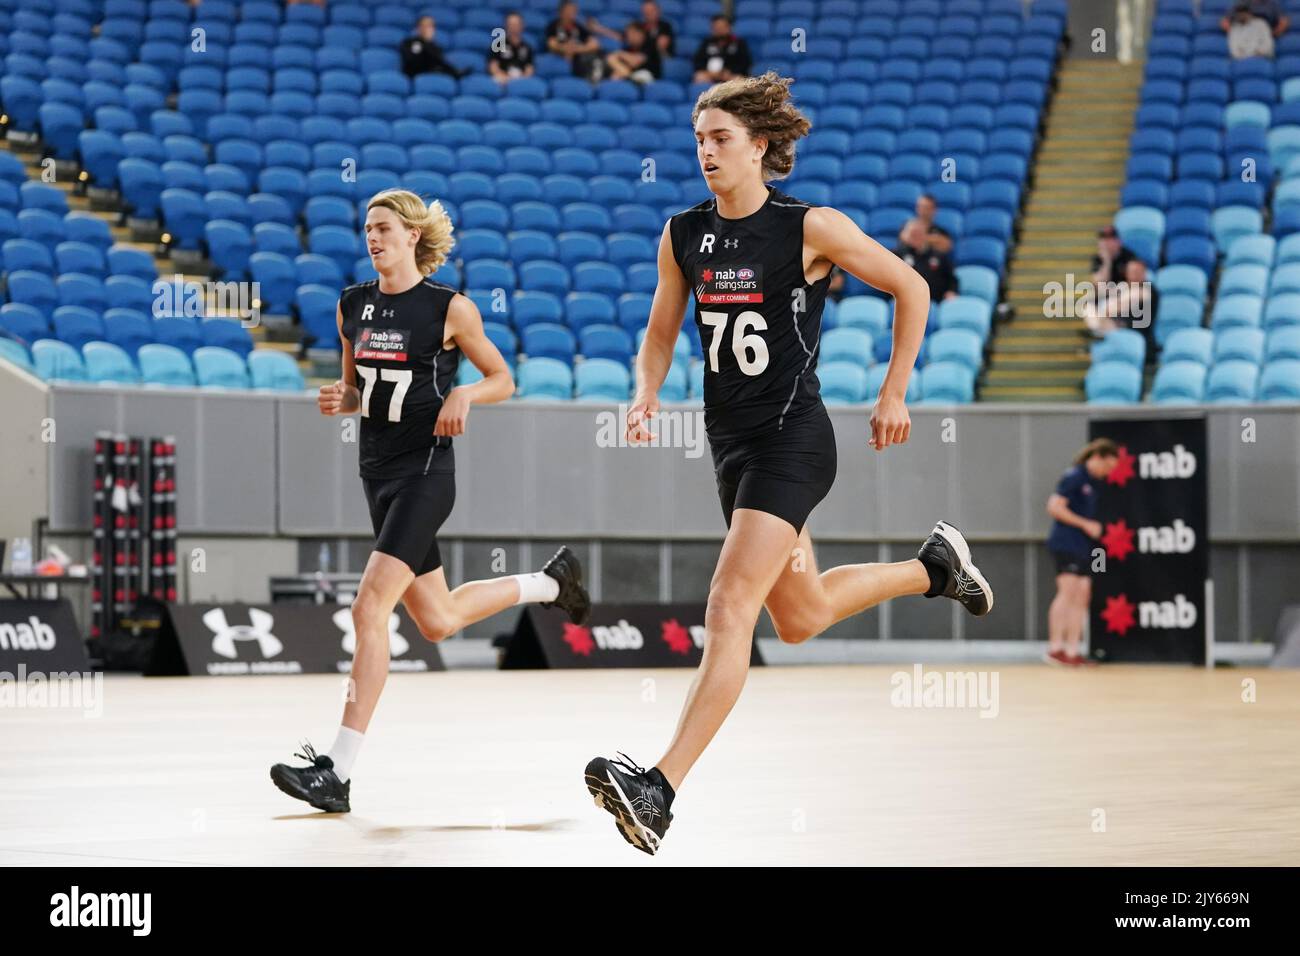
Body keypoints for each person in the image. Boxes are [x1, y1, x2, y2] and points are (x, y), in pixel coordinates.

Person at [583, 73, 994, 855]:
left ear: (761, 145)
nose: (706, 152)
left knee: (728, 605)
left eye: (721, 139)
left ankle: (658, 788)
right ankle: (934, 568)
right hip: (730, 447)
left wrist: (894, 393)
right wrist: (644, 390)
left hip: (793, 442)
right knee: (798, 619)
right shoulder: (683, 234)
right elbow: (662, 331)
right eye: (700, 140)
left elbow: (910, 286)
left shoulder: (809, 227)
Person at [270, 190, 591, 812]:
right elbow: (358, 389)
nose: (373, 237)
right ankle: (552, 585)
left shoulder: (450, 309)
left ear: (413, 235)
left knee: (369, 609)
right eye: (367, 229)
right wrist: (343, 400)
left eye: (384, 227)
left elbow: (504, 377)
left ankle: (337, 769)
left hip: (424, 476)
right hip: (376, 475)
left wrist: (466, 396)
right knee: (437, 620)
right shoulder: (352, 306)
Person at [1045, 438, 1119, 667]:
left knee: (1083, 593)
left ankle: (1073, 649)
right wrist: (1085, 524)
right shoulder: (1074, 476)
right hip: (1066, 543)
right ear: (1097, 458)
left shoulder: (1094, 482)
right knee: (1067, 592)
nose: (1108, 472)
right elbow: (1054, 507)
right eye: (1107, 466)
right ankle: (1055, 648)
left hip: (1084, 546)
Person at [545, 1, 602, 80]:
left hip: (582, 56)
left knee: (598, 59)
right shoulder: (553, 26)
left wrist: (577, 49)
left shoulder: (579, 26)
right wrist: (564, 48)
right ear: (561, 12)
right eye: (568, 10)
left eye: (573, 11)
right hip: (563, 58)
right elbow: (551, 44)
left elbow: (595, 44)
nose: (571, 13)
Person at [400, 16, 468, 79]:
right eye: (424, 26)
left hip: (433, 75)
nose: (427, 29)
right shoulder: (411, 43)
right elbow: (413, 61)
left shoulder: (436, 47)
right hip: (415, 76)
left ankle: (456, 73)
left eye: (430, 26)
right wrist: (425, 43)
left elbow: (441, 62)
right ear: (418, 28)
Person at [692, 15, 752, 83]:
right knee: (699, 77)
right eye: (716, 27)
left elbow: (745, 63)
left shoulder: (739, 43)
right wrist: (708, 72)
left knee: (740, 80)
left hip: (730, 75)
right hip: (710, 75)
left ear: (729, 27)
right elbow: (698, 61)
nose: (719, 30)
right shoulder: (707, 43)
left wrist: (729, 72)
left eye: (722, 27)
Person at [487, 11, 536, 83]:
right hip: (502, 78)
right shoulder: (498, 44)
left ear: (522, 26)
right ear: (506, 26)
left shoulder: (527, 47)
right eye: (511, 24)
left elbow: (529, 69)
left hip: (521, 79)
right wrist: (504, 76)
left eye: (516, 24)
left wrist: (522, 79)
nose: (513, 27)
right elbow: (493, 66)